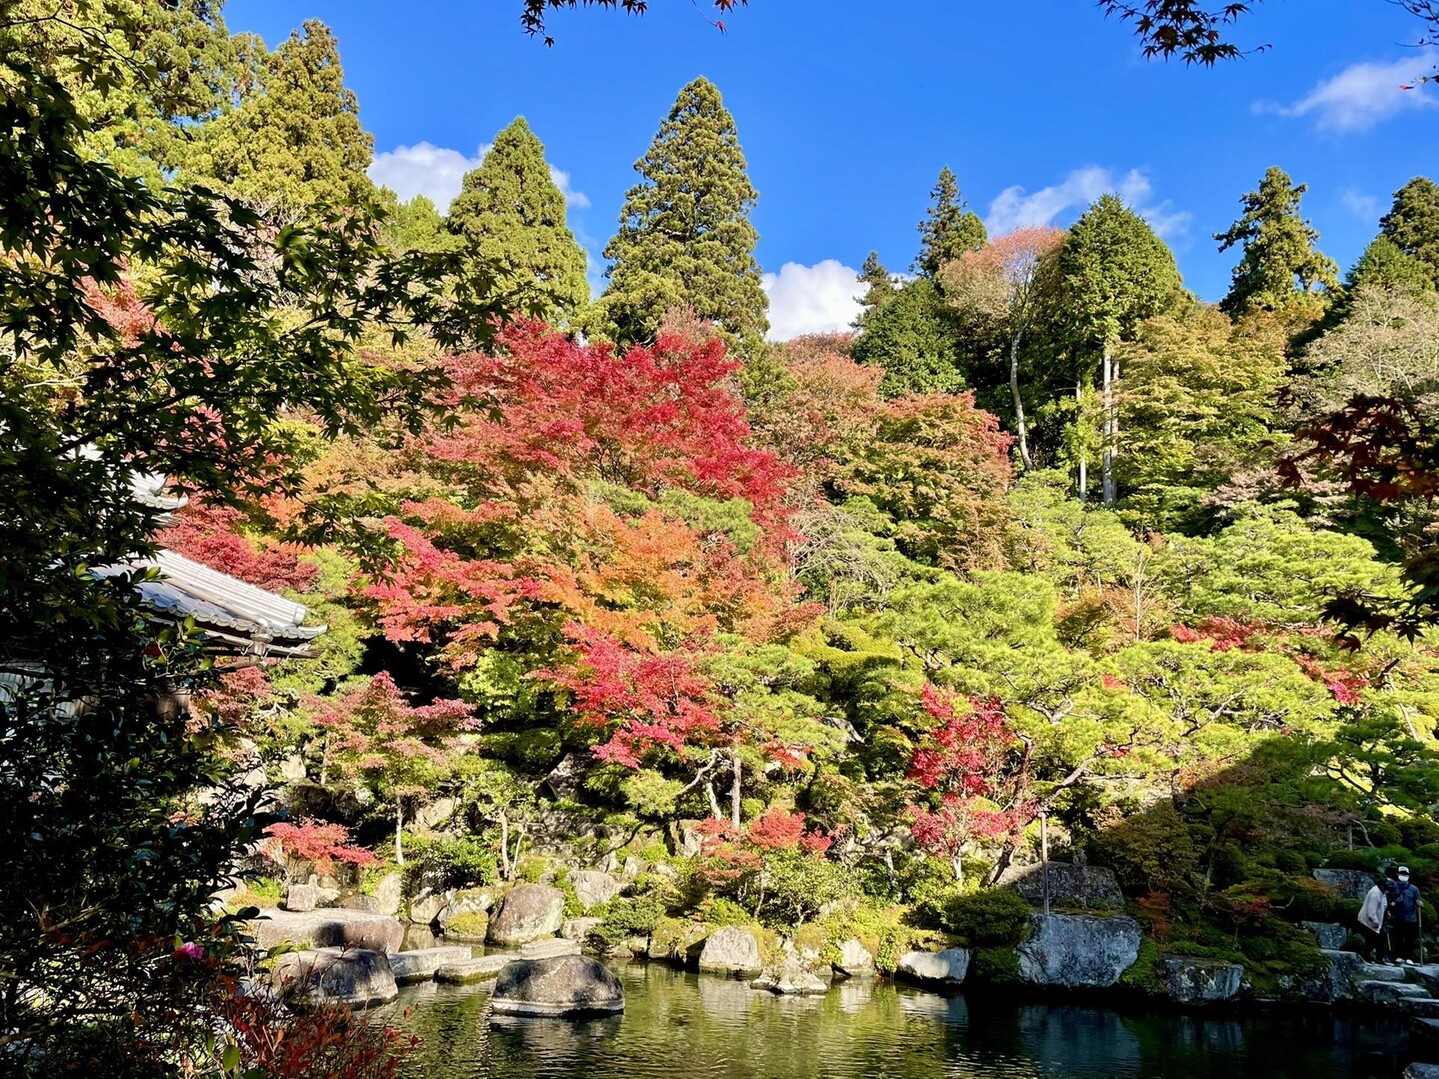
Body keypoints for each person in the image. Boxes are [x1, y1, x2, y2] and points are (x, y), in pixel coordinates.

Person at [1387, 865, 1422, 965]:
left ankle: (1409, 957)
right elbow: (1388, 899)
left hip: (1410, 918)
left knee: (1409, 939)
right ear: (1397, 874)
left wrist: (1419, 903)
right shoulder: (1393, 886)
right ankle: (1399, 956)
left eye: (1406, 874)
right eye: (1402, 874)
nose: (1404, 876)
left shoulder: (1414, 889)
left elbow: (1418, 900)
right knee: (1397, 938)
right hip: (1397, 916)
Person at [1358, 875, 1389, 962]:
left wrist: (1386, 912)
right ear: (1382, 886)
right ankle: (1364, 956)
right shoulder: (1374, 894)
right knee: (1372, 940)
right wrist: (1375, 922)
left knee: (1381, 939)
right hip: (1369, 921)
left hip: (1377, 921)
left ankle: (1379, 959)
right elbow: (1371, 912)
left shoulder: (1382, 892)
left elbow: (1383, 905)